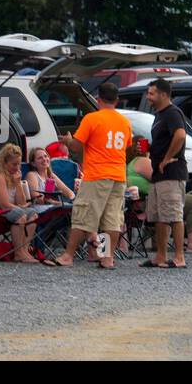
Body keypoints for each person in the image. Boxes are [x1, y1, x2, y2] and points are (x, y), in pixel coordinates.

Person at [56, 83, 132, 269]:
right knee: (112, 219)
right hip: (118, 176)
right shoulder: (124, 122)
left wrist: (67, 140)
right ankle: (107, 258)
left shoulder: (92, 118)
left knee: (84, 215)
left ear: (98, 99)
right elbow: (127, 146)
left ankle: (68, 256)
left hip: (97, 174)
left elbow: (76, 145)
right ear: (117, 100)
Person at [143, 78, 188, 269]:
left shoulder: (172, 113)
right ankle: (160, 256)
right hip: (159, 173)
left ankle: (179, 257)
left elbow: (180, 135)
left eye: (151, 93)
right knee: (160, 216)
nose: (148, 97)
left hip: (171, 172)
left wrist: (167, 157)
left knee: (174, 215)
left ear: (163, 94)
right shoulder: (159, 115)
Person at [0, 144, 43, 264]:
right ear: (4, 163)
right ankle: (18, 253)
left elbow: (21, 202)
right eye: (14, 164)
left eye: (19, 164)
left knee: (33, 214)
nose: (17, 168)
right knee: (21, 214)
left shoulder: (13, 176)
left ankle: (24, 251)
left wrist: (17, 183)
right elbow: (4, 205)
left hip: (8, 212)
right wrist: (20, 207)